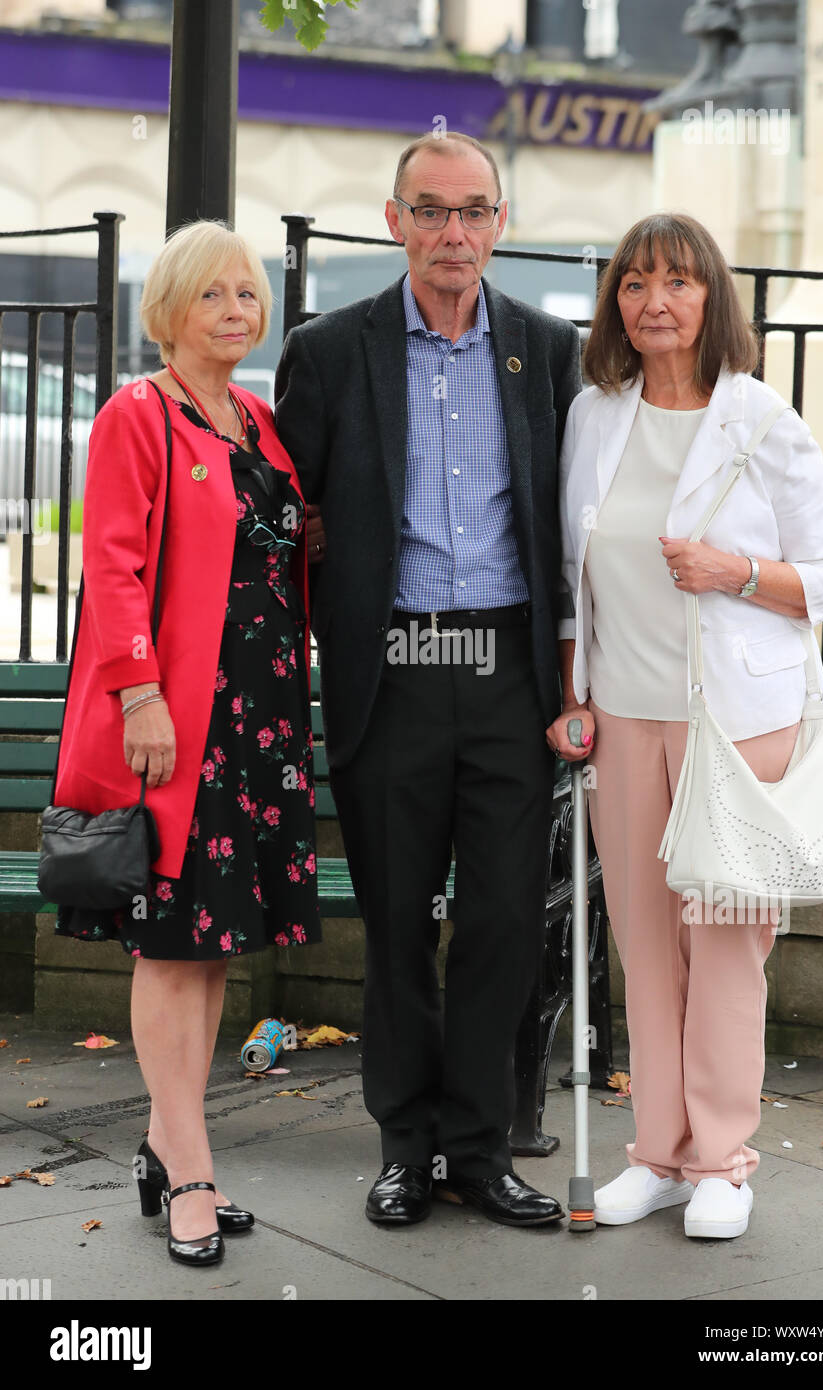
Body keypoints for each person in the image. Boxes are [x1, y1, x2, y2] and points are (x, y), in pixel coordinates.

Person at [275, 132, 581, 1228]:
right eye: (432, 210)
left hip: (505, 672)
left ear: (500, 222)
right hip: (389, 669)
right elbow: (283, 515)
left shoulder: (547, 351)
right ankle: (406, 1146)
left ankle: (480, 1146)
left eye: (474, 211)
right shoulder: (328, 349)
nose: (454, 233)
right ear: (393, 219)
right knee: (398, 918)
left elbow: (576, 519)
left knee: (502, 919)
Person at [547, 213, 823, 1239]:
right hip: (622, 717)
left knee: (725, 946)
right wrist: (571, 692)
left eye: (676, 282)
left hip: (735, 722)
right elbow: (570, 576)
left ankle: (721, 1159)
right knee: (644, 942)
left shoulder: (765, 421)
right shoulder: (595, 414)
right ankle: (659, 1155)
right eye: (634, 284)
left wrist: (737, 573)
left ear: (710, 298)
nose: (653, 301)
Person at [53, 220, 320, 1266]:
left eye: (248, 293)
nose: (236, 311)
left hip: (256, 716)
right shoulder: (136, 415)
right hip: (180, 718)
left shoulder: (255, 418)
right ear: (168, 310)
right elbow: (112, 567)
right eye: (211, 295)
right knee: (170, 944)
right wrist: (139, 696)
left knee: (210, 945)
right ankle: (193, 1172)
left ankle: (168, 1147)